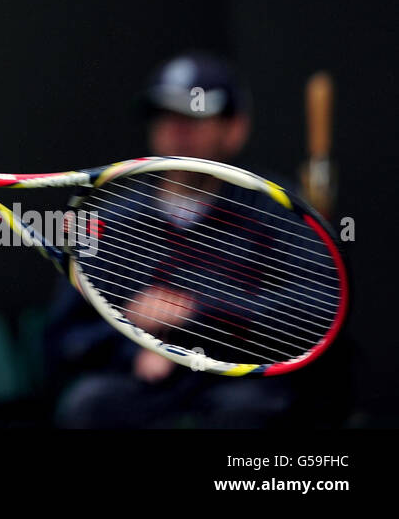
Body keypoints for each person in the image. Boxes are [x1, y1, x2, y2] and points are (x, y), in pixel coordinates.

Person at [44, 50, 303, 428]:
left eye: (195, 117)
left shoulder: (277, 210)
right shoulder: (110, 221)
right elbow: (63, 339)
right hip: (142, 387)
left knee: (254, 411)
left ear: (234, 128)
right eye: (166, 115)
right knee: (90, 405)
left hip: (241, 384)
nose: (178, 130)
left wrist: (199, 310)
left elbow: (311, 315)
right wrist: (133, 340)